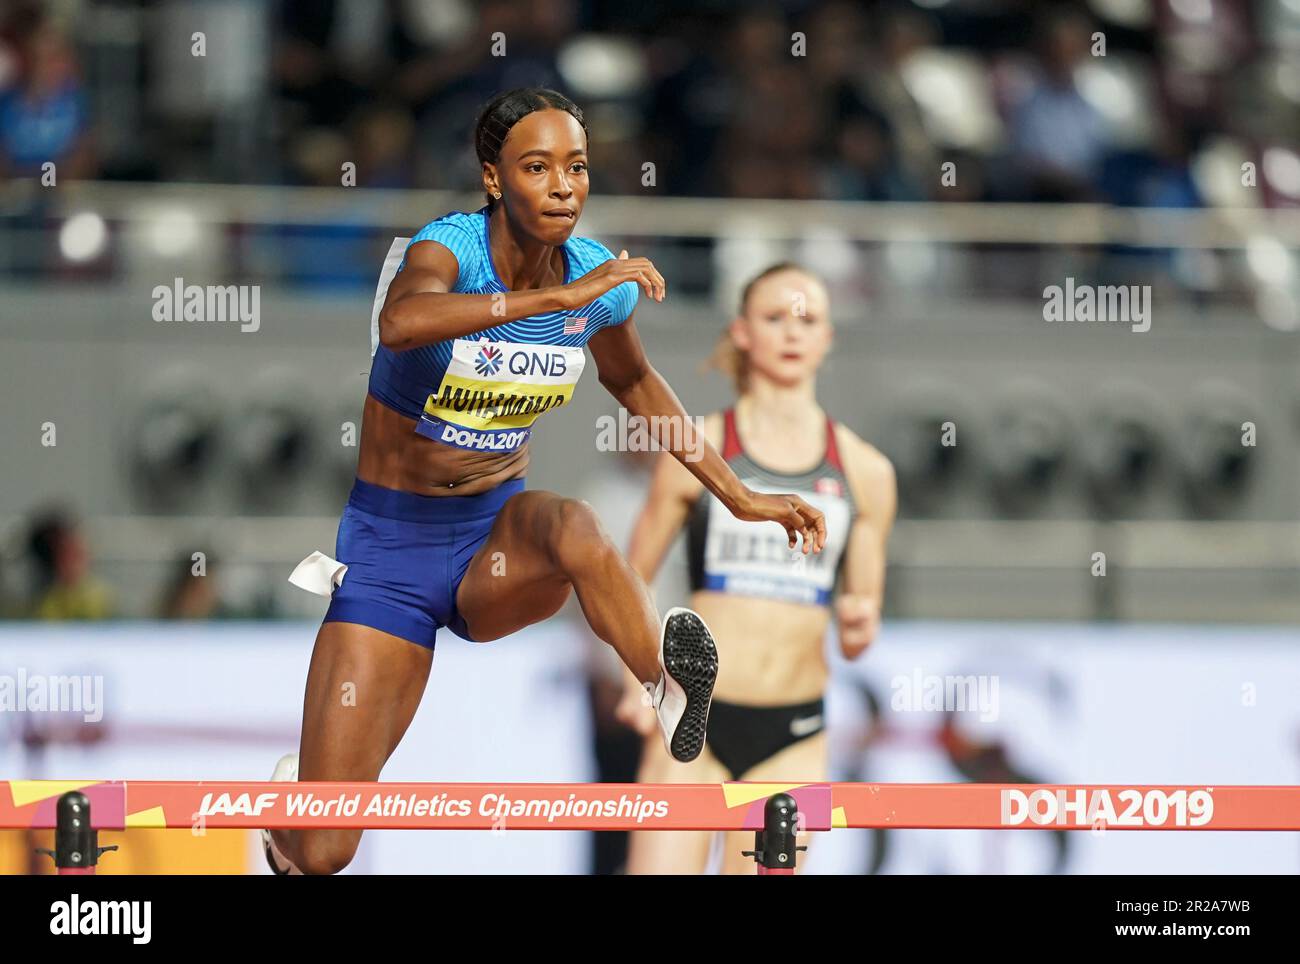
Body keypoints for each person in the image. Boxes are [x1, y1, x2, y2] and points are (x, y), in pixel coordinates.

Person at [263, 88, 827, 875]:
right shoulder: (448, 249)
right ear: (494, 179)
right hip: (390, 555)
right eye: (538, 167)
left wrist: (738, 495)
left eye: (578, 167)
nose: (564, 186)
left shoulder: (601, 278)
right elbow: (401, 322)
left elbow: (637, 386)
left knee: (575, 526)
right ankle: (289, 814)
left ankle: (665, 689)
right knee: (325, 850)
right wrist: (555, 300)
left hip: (495, 545)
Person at [617, 262, 896, 874]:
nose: (793, 334)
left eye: (808, 320)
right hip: (692, 728)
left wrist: (859, 620)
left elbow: (859, 625)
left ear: (828, 337)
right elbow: (626, 580)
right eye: (774, 318)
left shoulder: (866, 470)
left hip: (792, 736)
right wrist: (640, 678)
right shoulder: (698, 447)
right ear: (742, 332)